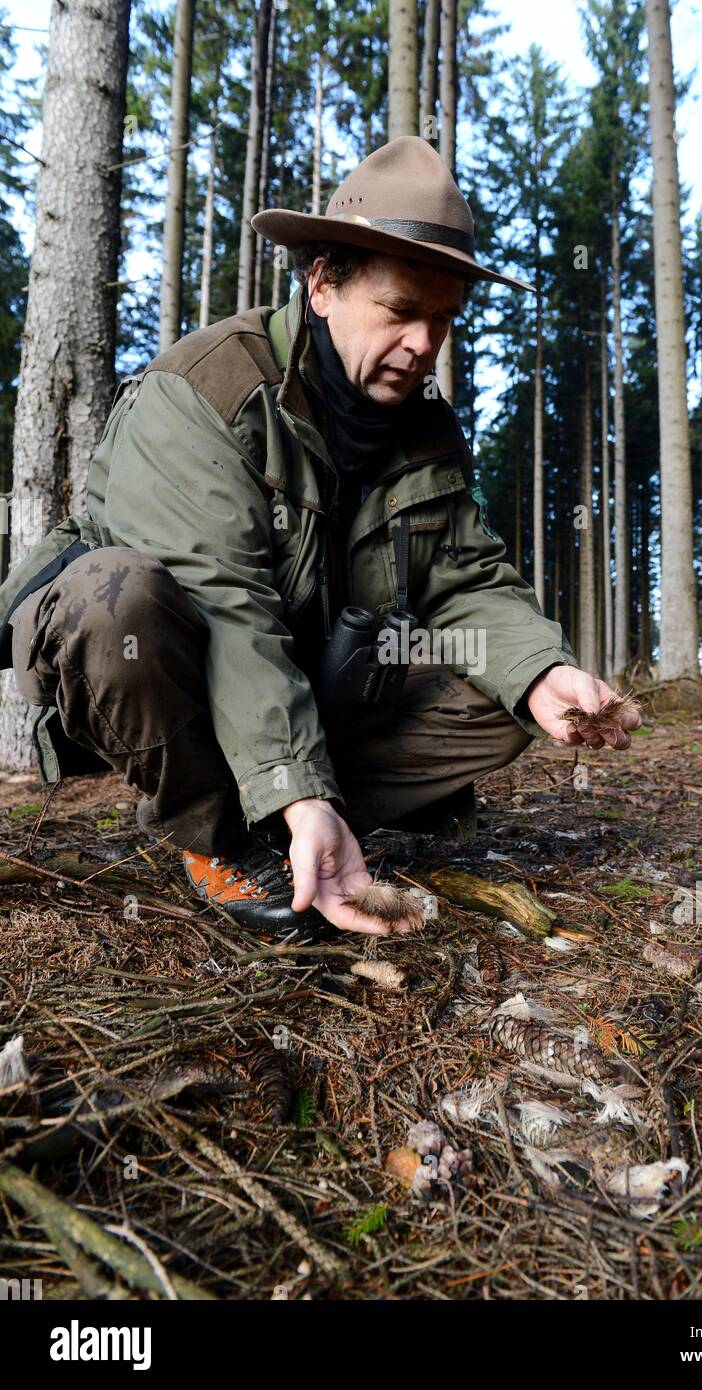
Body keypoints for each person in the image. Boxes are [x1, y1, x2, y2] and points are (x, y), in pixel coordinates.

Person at [0, 137, 639, 939]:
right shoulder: (203, 392)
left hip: (308, 675)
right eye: (401, 312)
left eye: (443, 319)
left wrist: (540, 670)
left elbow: (465, 579)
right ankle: (220, 832)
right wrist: (299, 788)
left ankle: (298, 815)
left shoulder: (423, 427)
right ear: (323, 283)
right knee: (116, 597)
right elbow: (228, 610)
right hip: (159, 659)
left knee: (504, 690)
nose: (423, 345)